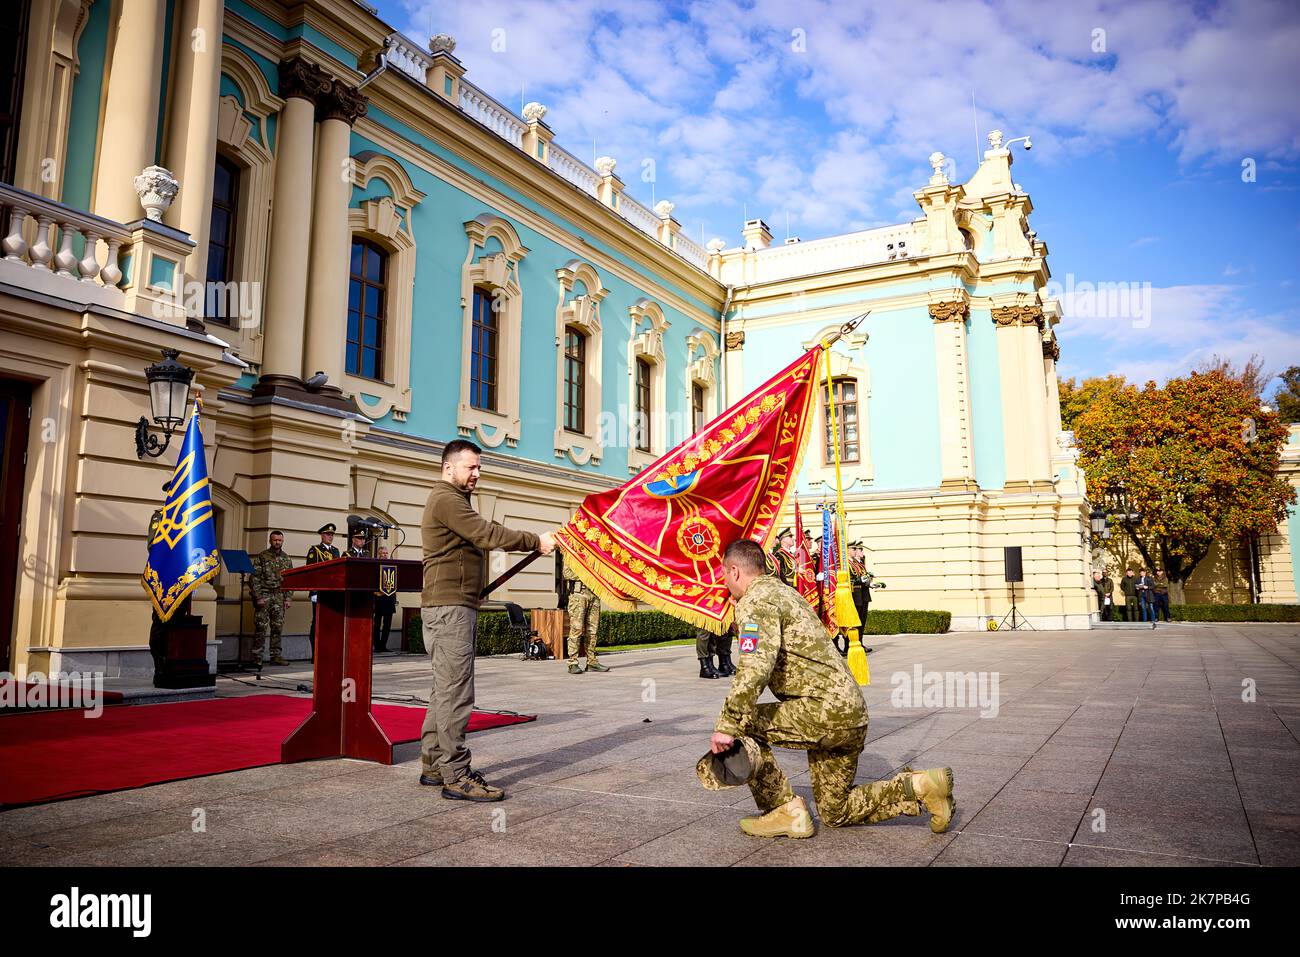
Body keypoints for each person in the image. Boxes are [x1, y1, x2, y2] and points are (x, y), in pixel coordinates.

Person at [706, 538, 955, 838]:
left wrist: (728, 725)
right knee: (835, 810)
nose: (724, 583)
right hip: (849, 713)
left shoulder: (756, 601)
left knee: (742, 724)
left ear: (734, 571)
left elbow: (755, 667)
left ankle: (783, 811)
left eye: (724, 576)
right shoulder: (786, 594)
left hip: (821, 711)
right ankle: (920, 787)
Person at [419, 439, 555, 802]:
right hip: (450, 609)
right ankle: (456, 775)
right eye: (471, 467)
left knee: (443, 689)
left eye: (479, 468)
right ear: (449, 468)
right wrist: (535, 541)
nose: (477, 474)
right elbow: (487, 533)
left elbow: (473, 543)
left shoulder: (453, 500)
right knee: (456, 691)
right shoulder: (447, 498)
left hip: (449, 605)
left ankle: (434, 764)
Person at [250, 530, 293, 667]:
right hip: (265, 594)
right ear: (270, 541)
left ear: (283, 541)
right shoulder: (262, 556)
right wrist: (258, 597)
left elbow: (289, 580)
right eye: (275, 540)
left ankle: (276, 656)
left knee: (277, 627)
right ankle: (257, 657)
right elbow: (254, 578)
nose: (277, 542)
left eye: (279, 540)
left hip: (279, 596)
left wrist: (288, 598)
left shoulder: (286, 558)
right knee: (261, 627)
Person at [562, 557, 607, 674]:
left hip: (594, 593)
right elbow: (566, 573)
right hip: (579, 595)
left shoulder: (594, 553)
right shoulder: (572, 553)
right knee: (576, 629)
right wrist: (587, 574)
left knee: (593, 630)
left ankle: (592, 661)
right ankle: (572, 662)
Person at [305, 522, 340, 660]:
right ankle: (315, 653)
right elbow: (311, 572)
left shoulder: (335, 551)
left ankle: (328, 652)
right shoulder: (315, 550)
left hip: (332, 592)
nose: (330, 537)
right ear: (322, 535)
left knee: (331, 622)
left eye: (332, 535)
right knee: (317, 622)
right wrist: (313, 592)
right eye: (327, 534)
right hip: (319, 592)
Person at [373, 546, 398, 653]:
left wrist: (395, 598)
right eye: (383, 553)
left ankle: (384, 645)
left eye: (386, 553)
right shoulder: (375, 565)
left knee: (387, 624)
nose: (385, 555)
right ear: (378, 554)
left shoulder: (391, 566)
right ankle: (377, 646)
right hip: (378, 598)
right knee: (377, 624)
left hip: (389, 598)